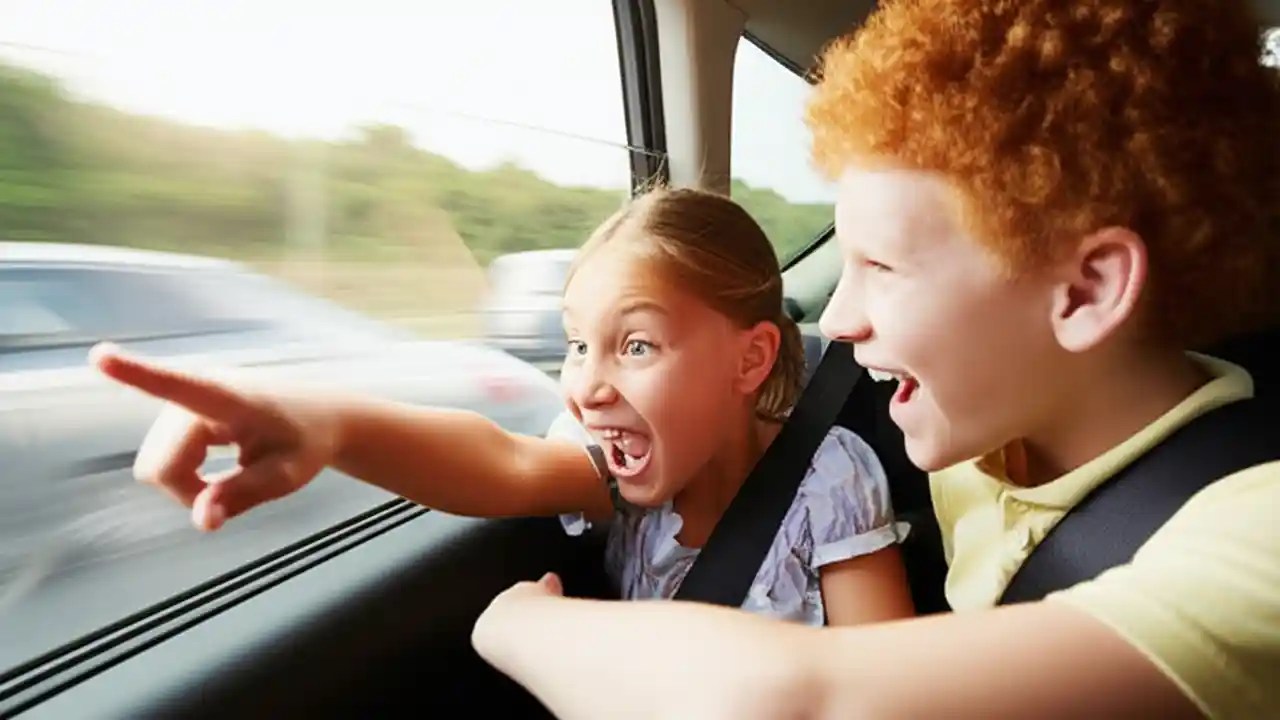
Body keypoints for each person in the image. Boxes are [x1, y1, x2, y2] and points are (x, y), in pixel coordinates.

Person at [466, 1, 1280, 718]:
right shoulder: (979, 453)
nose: (838, 319)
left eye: (882, 268)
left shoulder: (1258, 539)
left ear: (1086, 290)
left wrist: (515, 621)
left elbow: (797, 701)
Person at [89, 187, 915, 627]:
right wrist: (328, 423)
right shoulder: (624, 482)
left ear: (751, 358)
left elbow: (882, 690)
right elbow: (501, 460)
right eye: (575, 343)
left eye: (636, 346)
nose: (588, 385)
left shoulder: (830, 482)